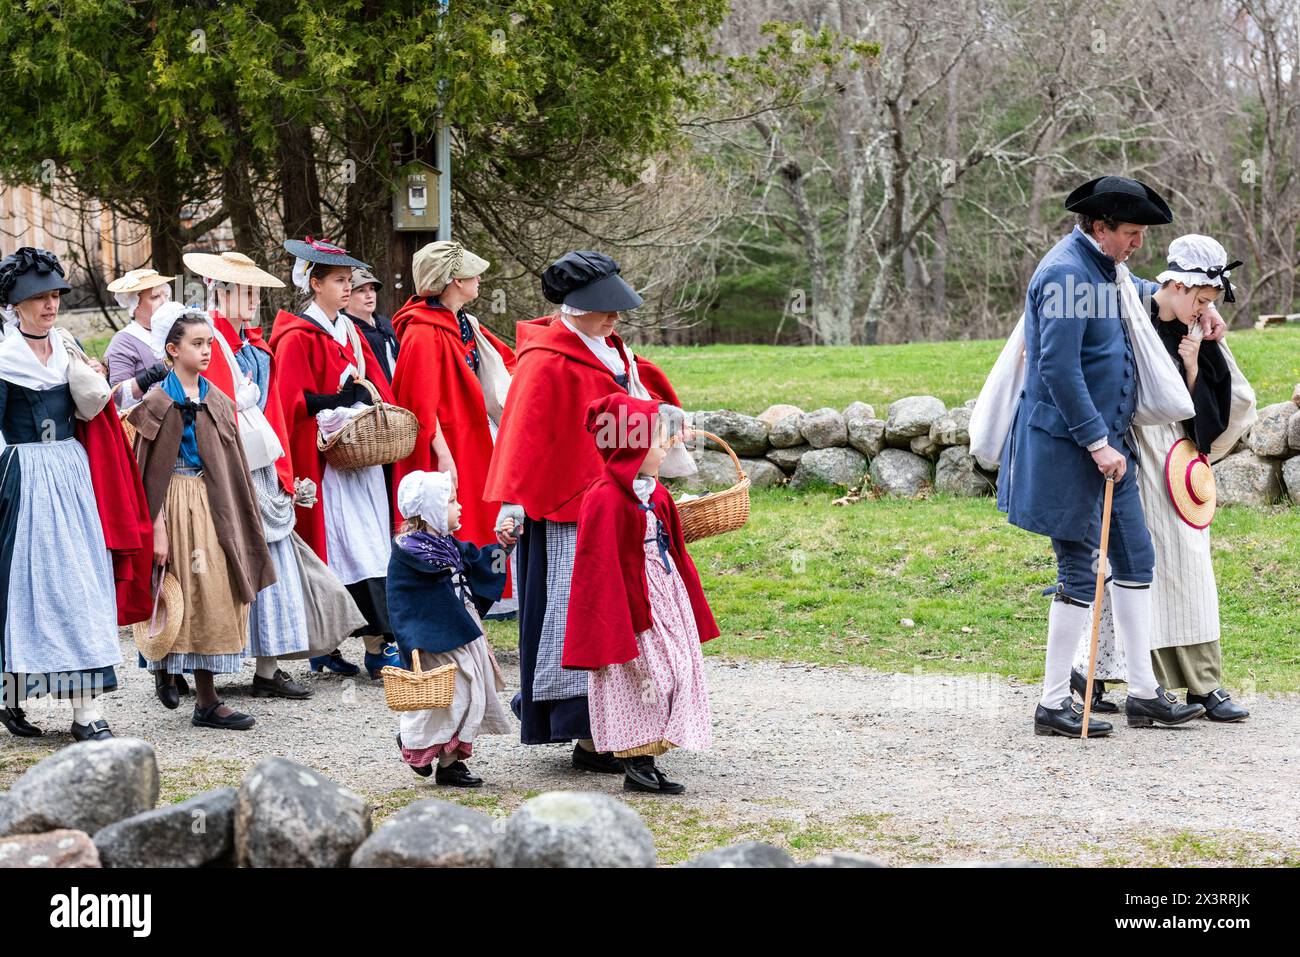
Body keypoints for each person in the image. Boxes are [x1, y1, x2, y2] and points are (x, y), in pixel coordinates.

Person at [997, 175, 1209, 738]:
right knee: (1076, 570)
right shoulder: (1068, 274)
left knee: (1136, 558)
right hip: (1070, 447)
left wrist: (1195, 309)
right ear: (1101, 227)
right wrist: (1096, 442)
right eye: (1132, 233)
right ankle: (1051, 704)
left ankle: (1143, 693)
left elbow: (1140, 292)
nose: (1138, 243)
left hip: (1110, 447)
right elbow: (1057, 369)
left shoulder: (1103, 268)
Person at [483, 250, 692, 771]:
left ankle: (620, 725)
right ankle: (586, 733)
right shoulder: (546, 361)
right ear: (574, 308)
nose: (616, 316)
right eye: (605, 307)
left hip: (618, 507)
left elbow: (627, 421)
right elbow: (524, 439)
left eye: (617, 306)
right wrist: (513, 504)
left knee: (624, 616)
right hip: (568, 513)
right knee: (578, 618)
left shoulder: (611, 351)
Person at [1070, 234, 1253, 723]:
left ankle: (1201, 680)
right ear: (1176, 284)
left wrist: (1194, 363)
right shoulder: (1130, 311)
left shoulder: (1196, 328)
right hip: (1133, 448)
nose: (1203, 309)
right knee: (1126, 564)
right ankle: (1093, 673)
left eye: (1211, 302)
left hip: (1177, 453)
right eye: (1200, 298)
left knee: (1188, 561)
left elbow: (1212, 401)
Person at [0, 247, 152, 741]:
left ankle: (86, 711)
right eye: (38, 297)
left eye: (54, 295)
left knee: (81, 585)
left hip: (72, 473)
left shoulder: (67, 347)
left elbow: (98, 410)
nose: (49, 305)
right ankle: (10, 694)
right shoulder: (3, 359)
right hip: (24, 477)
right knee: (25, 589)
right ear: (14, 304)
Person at [128, 311, 276, 730]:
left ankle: (207, 701)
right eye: (197, 343)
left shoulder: (218, 400)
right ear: (173, 350)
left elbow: (233, 467)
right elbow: (146, 472)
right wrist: (155, 525)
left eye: (209, 343)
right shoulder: (157, 402)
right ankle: (162, 666)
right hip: (173, 501)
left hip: (212, 505)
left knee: (211, 590)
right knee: (172, 587)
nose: (207, 350)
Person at [563, 393, 717, 794]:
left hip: (665, 594)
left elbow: (675, 550)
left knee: (678, 669)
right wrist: (610, 623)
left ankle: (648, 756)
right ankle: (637, 762)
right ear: (630, 445)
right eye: (658, 441)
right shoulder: (604, 498)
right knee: (643, 676)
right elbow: (595, 569)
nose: (667, 447)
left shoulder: (657, 494)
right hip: (629, 606)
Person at [269, 237, 401, 679]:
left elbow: (376, 383)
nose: (349, 288)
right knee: (347, 547)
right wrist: (334, 399)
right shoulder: (296, 335)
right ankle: (368, 644)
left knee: (369, 545)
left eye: (349, 280)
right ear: (314, 283)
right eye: (340, 281)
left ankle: (355, 641)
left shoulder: (347, 329)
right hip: (324, 462)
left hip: (358, 456)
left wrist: (368, 401)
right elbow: (290, 403)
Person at [389, 241, 516, 614]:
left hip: (471, 438)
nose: (479, 278)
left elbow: (504, 363)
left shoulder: (462, 323)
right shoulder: (422, 332)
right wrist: (443, 456)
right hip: (448, 447)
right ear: (452, 281)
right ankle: (450, 611)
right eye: (471, 273)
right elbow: (418, 405)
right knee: (451, 525)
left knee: (474, 523)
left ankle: (471, 606)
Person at [389, 470, 514, 785]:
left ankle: (451, 764)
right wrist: (410, 639)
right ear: (430, 509)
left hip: (463, 628)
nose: (458, 507)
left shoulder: (449, 546)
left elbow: (483, 566)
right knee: (449, 697)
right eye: (450, 501)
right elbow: (402, 601)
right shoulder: (409, 554)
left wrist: (503, 547)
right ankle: (413, 742)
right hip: (434, 637)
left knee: (473, 693)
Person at [105, 267, 174, 409]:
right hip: (149, 425)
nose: (163, 302)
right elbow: (118, 398)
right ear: (135, 305)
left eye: (165, 295)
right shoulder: (123, 341)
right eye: (155, 297)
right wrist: (150, 377)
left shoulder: (176, 331)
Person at [348, 268, 400, 383]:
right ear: (346, 295)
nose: (369, 295)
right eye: (361, 290)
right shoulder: (345, 332)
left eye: (372, 289)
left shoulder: (386, 325)